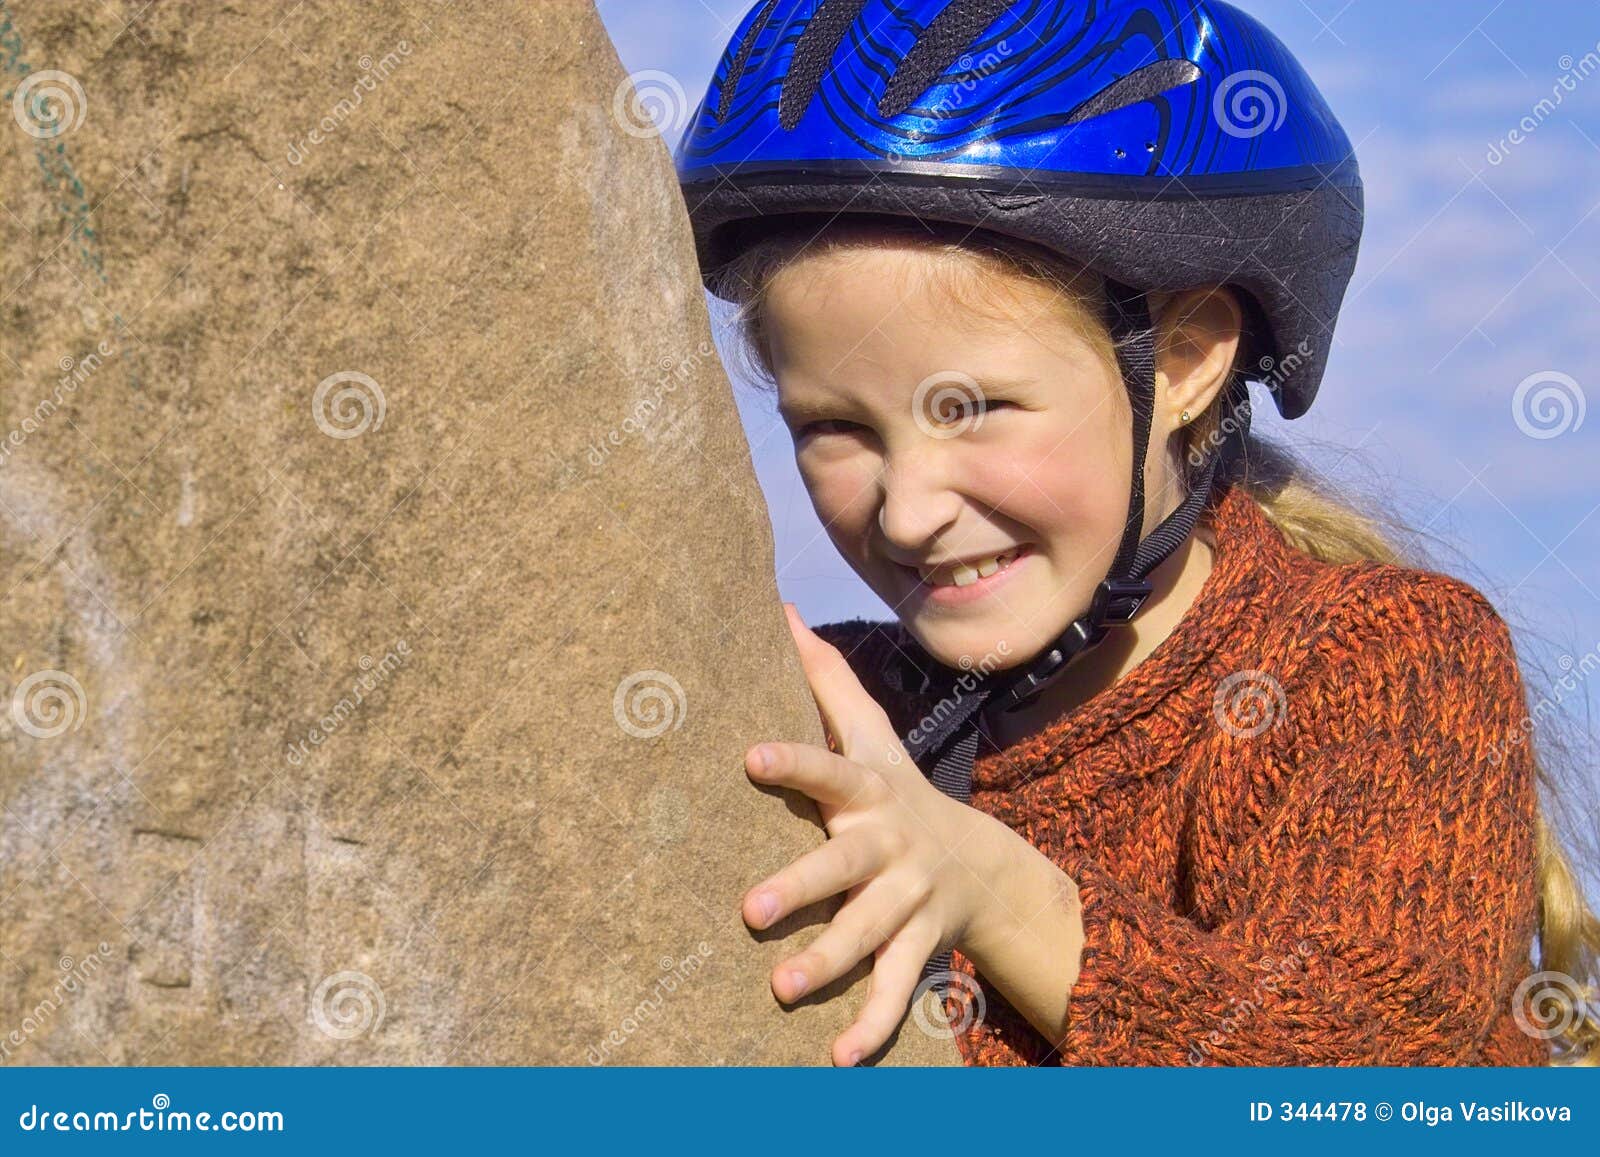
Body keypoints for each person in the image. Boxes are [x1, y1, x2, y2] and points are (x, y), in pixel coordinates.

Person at [673, 0, 1600, 1067]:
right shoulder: (832, 702)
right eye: (834, 427)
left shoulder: (1380, 662)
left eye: (969, 407)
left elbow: (1365, 1072)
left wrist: (990, 886)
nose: (907, 508)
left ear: (1188, 359)